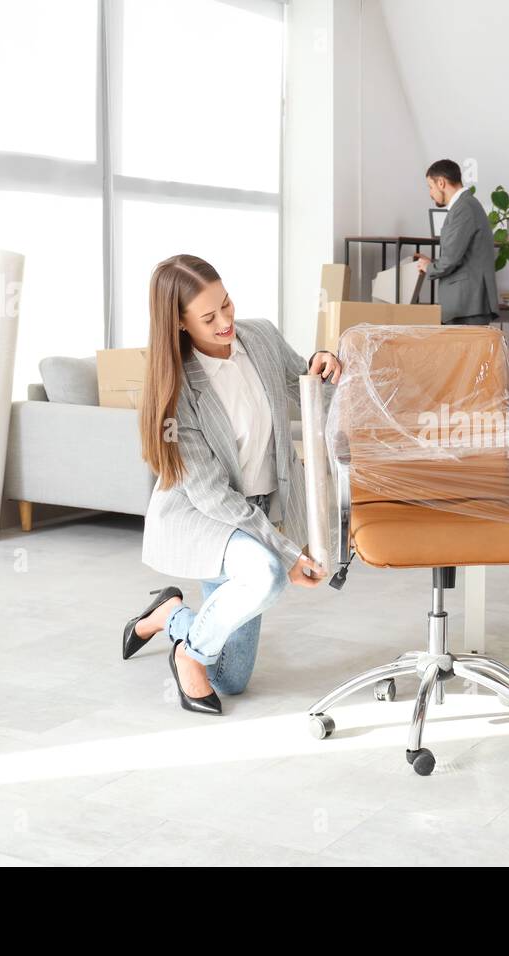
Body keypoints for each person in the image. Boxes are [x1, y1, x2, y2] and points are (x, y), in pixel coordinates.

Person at [122, 253, 341, 715]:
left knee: (234, 680)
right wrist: (285, 551)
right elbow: (212, 495)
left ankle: (170, 616)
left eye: (226, 304)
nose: (226, 321)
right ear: (179, 324)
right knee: (267, 574)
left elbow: (302, 379)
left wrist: (322, 362)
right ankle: (189, 653)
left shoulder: (258, 337)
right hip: (208, 515)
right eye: (208, 316)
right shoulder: (178, 390)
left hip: (256, 505)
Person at [413, 159, 500, 326]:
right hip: (467, 304)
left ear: (441, 182)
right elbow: (461, 255)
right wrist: (431, 263)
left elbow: (451, 259)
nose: (431, 193)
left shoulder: (464, 208)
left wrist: (429, 267)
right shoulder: (465, 206)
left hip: (467, 304)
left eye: (431, 187)